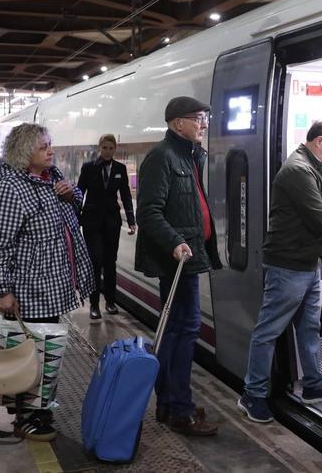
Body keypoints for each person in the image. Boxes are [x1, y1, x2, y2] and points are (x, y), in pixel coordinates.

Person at [0, 123, 95, 442]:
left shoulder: (52, 178)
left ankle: (38, 409)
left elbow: (74, 210)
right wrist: (2, 290)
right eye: (43, 147)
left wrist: (73, 194)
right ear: (24, 152)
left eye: (49, 144)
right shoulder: (10, 190)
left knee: (46, 352)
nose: (51, 151)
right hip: (28, 290)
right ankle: (27, 415)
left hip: (50, 287)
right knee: (31, 355)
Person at [238, 121, 322, 423]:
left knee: (309, 328)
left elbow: (311, 221)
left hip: (306, 264)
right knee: (268, 331)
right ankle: (252, 394)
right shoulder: (299, 170)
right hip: (287, 266)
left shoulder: (312, 168)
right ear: (319, 141)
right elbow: (318, 218)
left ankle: (313, 384)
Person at [135, 96, 223, 437]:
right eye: (198, 118)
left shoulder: (189, 155)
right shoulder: (163, 157)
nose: (203, 124)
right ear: (177, 124)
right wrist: (174, 242)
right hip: (177, 260)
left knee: (178, 331)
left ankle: (170, 403)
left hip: (189, 256)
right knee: (183, 331)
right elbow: (148, 212)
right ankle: (179, 409)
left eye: (204, 118)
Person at [77, 134, 136, 320]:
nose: (108, 152)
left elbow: (125, 194)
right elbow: (79, 193)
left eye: (111, 148)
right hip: (92, 221)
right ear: (99, 148)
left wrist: (131, 219)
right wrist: (75, 218)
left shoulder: (120, 169)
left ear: (115, 149)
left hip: (112, 222)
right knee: (95, 261)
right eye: (105, 148)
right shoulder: (88, 168)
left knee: (110, 262)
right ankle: (94, 305)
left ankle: (110, 302)